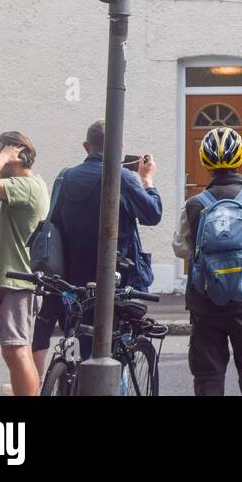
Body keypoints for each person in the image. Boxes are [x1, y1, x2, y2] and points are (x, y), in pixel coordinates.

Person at [35, 121, 162, 373]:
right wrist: (146, 180)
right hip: (116, 280)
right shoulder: (123, 176)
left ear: (86, 146)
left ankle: (71, 376)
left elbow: (54, 223)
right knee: (116, 347)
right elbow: (153, 214)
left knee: (77, 345)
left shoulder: (65, 176)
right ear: (119, 145)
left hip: (73, 281)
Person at [173, 127, 242, 396]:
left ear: (204, 161)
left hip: (206, 302)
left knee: (209, 379)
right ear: (240, 158)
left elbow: (181, 250)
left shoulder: (194, 204)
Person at [0, 131, 48, 397]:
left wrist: (3, 156)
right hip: (15, 281)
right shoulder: (23, 188)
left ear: (15, 156)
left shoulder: (25, 186)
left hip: (16, 282)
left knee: (15, 351)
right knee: (17, 350)